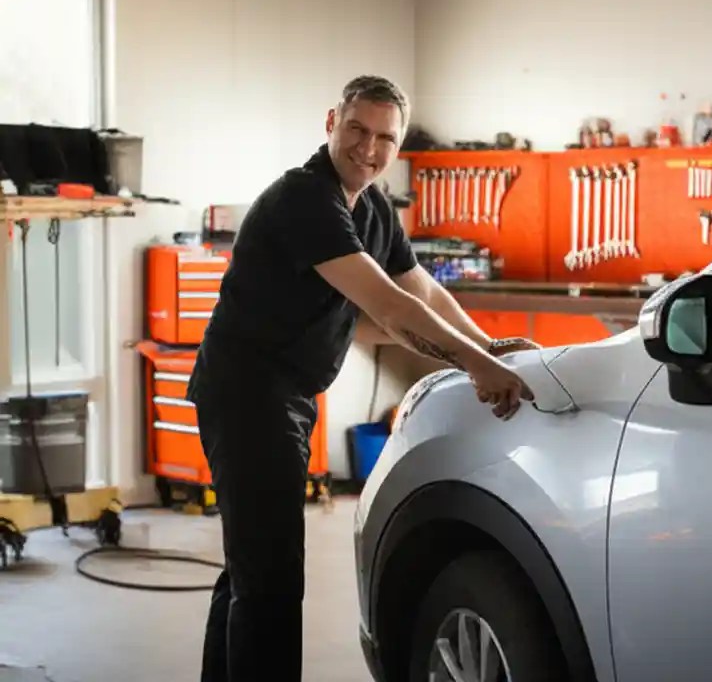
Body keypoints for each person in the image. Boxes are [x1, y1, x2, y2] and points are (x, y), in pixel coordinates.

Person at [186, 74, 539, 682]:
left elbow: (419, 288)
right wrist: (478, 365)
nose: (368, 148)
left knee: (250, 569)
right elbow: (391, 307)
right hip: (248, 392)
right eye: (356, 129)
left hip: (286, 394)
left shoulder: (372, 205)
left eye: (384, 138)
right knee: (271, 583)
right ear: (331, 122)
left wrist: (486, 345)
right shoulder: (305, 199)